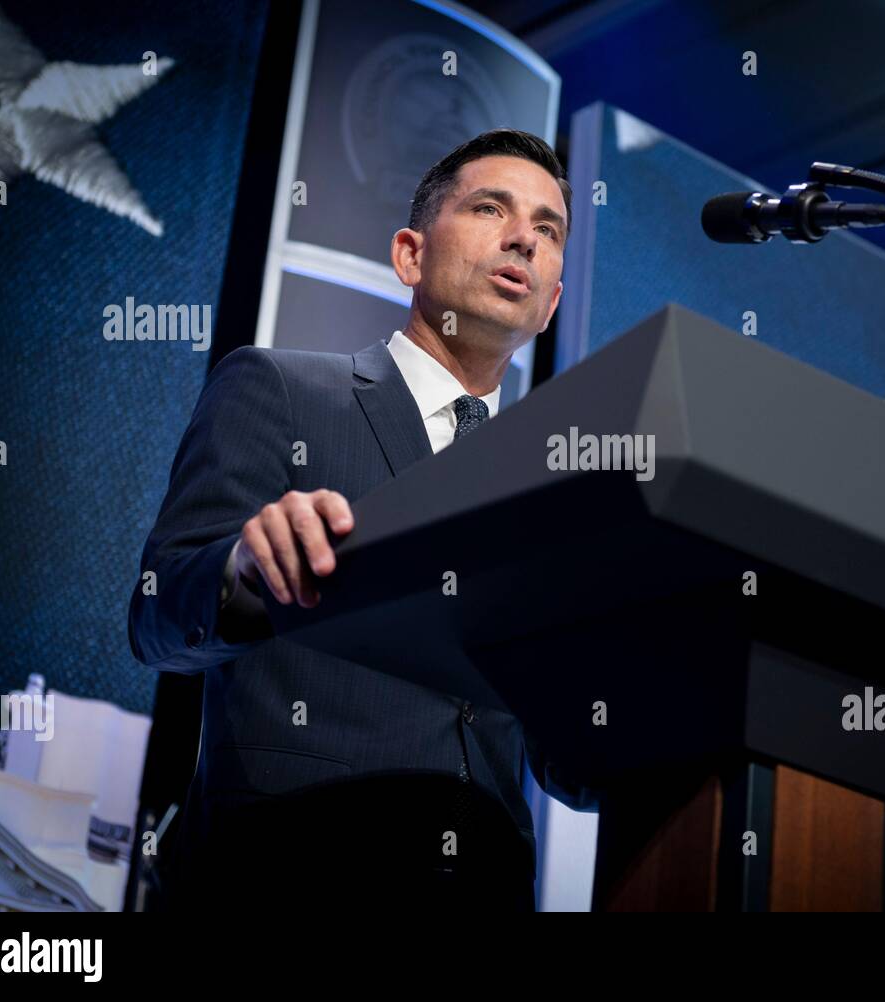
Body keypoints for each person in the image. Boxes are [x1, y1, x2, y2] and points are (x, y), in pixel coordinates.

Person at [128, 129, 595, 912]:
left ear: (549, 303)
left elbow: (567, 762)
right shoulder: (278, 389)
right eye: (491, 208)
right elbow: (154, 618)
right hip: (292, 872)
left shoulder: (552, 496)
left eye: (548, 230)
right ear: (410, 255)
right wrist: (243, 570)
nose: (524, 237)